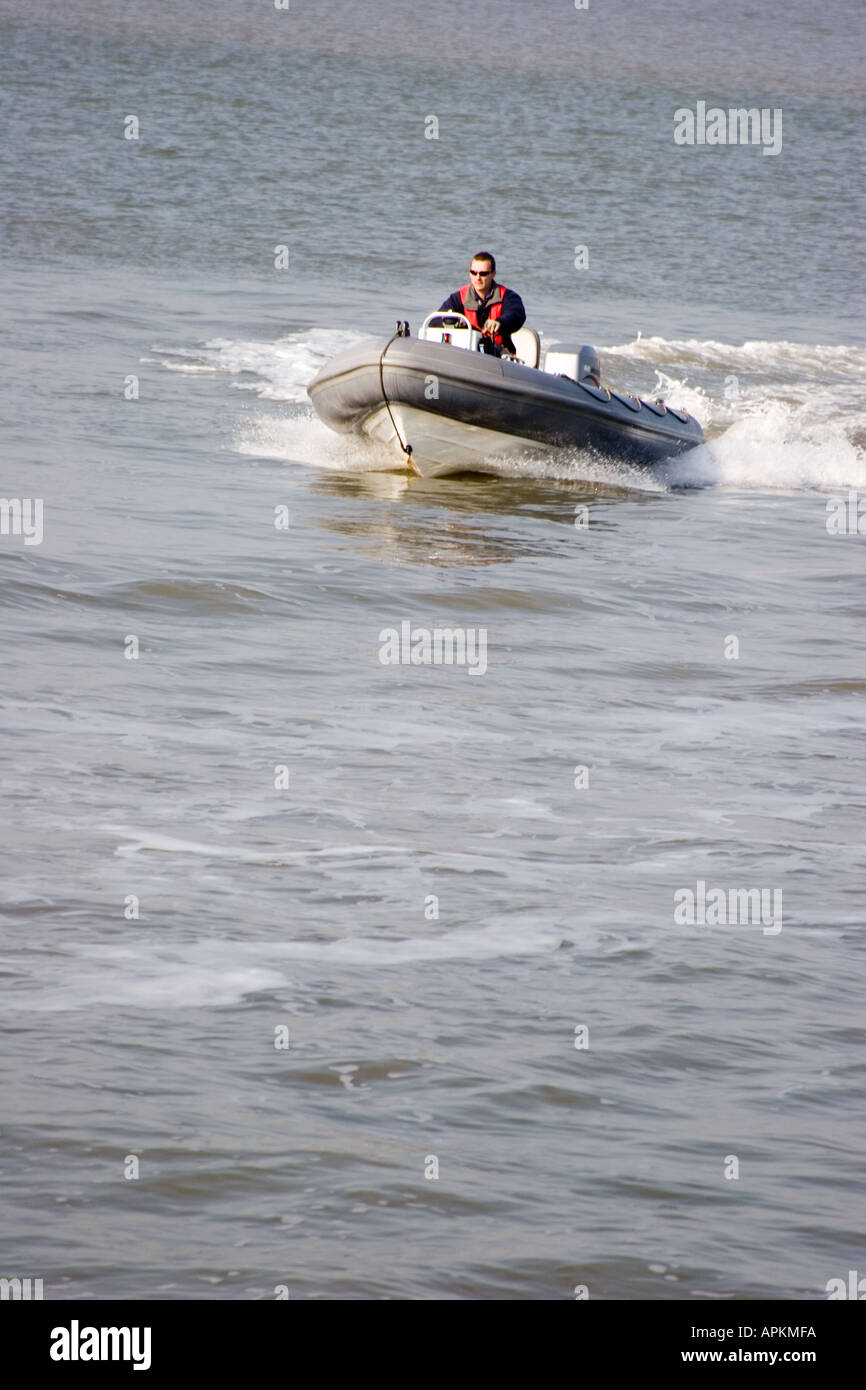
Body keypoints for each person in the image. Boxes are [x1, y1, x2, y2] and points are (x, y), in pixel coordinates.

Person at [439, 253, 526, 355]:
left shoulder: (507, 297)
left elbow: (516, 314)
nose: (478, 278)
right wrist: (455, 323)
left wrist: (499, 322)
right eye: (473, 273)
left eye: (483, 273)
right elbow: (436, 320)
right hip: (466, 353)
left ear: (493, 274)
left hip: (499, 357)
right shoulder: (458, 298)